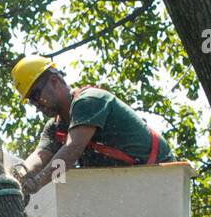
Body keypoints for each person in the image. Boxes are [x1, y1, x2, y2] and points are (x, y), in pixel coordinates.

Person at [9, 57, 175, 205]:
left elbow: (72, 150)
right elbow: (40, 156)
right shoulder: (55, 128)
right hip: (128, 186)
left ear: (54, 81)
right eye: (31, 101)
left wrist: (37, 182)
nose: (37, 104)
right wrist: (20, 176)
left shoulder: (89, 101)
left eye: (36, 95)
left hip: (161, 175)